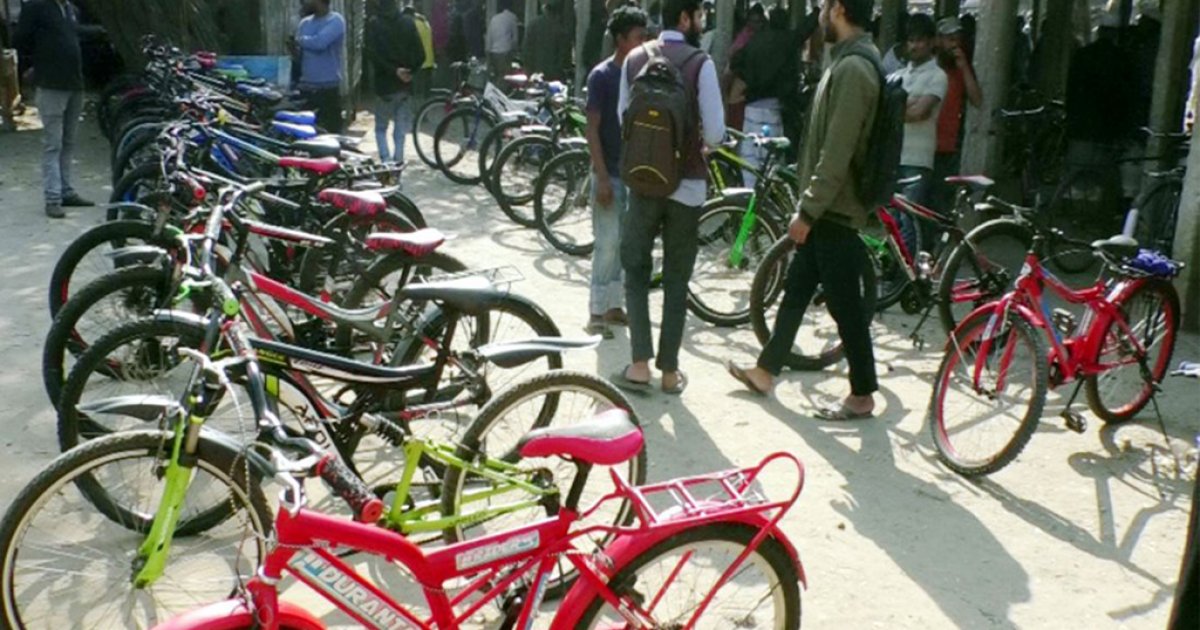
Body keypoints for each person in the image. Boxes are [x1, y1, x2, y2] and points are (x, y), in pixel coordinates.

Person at [726, 0, 880, 421]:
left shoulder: (853, 70)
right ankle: (766, 371)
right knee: (796, 290)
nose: (819, 16)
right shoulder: (846, 61)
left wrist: (808, 210)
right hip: (827, 207)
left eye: (825, 7)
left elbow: (837, 151)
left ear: (841, 10)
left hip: (834, 209)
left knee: (845, 303)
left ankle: (863, 393)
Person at [615, 0, 724, 395]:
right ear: (685, 18)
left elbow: (622, 118)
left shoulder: (634, 60)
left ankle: (639, 364)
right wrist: (697, 148)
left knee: (636, 271)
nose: (701, 22)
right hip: (688, 188)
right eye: (698, 15)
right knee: (677, 278)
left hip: (642, 182)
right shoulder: (701, 63)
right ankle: (669, 372)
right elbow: (715, 133)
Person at [584, 6, 647, 339]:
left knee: (624, 244)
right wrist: (603, 177)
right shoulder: (601, 76)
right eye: (638, 37)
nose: (643, 43)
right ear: (620, 39)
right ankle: (595, 311)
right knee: (606, 243)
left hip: (635, 176)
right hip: (609, 173)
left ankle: (613, 306)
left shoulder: (642, 75)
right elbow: (591, 129)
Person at [14, 0, 102, 218]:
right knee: (53, 144)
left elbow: (73, 33)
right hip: (51, 84)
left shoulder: (70, 9)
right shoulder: (37, 7)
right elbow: (20, 39)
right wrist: (37, 62)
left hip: (74, 83)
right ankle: (52, 197)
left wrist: (100, 31)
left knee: (68, 142)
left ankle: (66, 189)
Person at [890, 12, 946, 253]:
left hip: (918, 161)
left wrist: (897, 106)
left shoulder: (938, 76)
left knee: (909, 222)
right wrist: (907, 105)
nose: (915, 45)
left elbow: (919, 113)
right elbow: (887, 110)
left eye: (921, 40)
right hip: (893, 158)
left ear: (932, 42)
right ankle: (895, 273)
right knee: (892, 222)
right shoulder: (897, 76)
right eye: (911, 40)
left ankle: (907, 281)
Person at [731, 6, 804, 186]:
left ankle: (749, 203)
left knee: (750, 161)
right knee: (772, 165)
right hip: (774, 111)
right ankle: (768, 206)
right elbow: (805, 30)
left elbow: (736, 62)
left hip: (752, 109)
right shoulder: (787, 41)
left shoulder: (756, 41)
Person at [931, 16, 981, 213]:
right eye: (949, 38)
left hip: (949, 145)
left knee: (943, 197)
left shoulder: (960, 70)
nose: (954, 44)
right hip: (926, 143)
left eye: (957, 38)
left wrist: (964, 67)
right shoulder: (930, 66)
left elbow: (977, 100)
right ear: (938, 40)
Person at [367, 0, 425, 166]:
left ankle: (386, 164)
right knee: (400, 132)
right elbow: (421, 54)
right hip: (405, 86)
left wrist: (393, 71)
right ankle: (398, 163)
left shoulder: (374, 23)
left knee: (380, 128)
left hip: (384, 86)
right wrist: (410, 72)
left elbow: (372, 55)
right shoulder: (408, 22)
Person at [295, 0, 347, 133]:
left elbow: (320, 43)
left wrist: (301, 41)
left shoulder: (335, 21)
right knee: (307, 133)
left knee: (331, 133)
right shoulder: (304, 23)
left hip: (327, 88)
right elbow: (299, 52)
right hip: (306, 87)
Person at [405, 2, 436, 99]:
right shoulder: (425, 23)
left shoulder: (413, 24)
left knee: (415, 90)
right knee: (426, 90)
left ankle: (418, 111)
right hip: (429, 60)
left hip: (419, 62)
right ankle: (427, 109)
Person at [486, 0, 518, 77]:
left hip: (493, 53)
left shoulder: (494, 18)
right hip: (505, 52)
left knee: (495, 77)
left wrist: (488, 55)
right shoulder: (512, 17)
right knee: (505, 78)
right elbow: (515, 39)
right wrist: (515, 51)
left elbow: (489, 38)